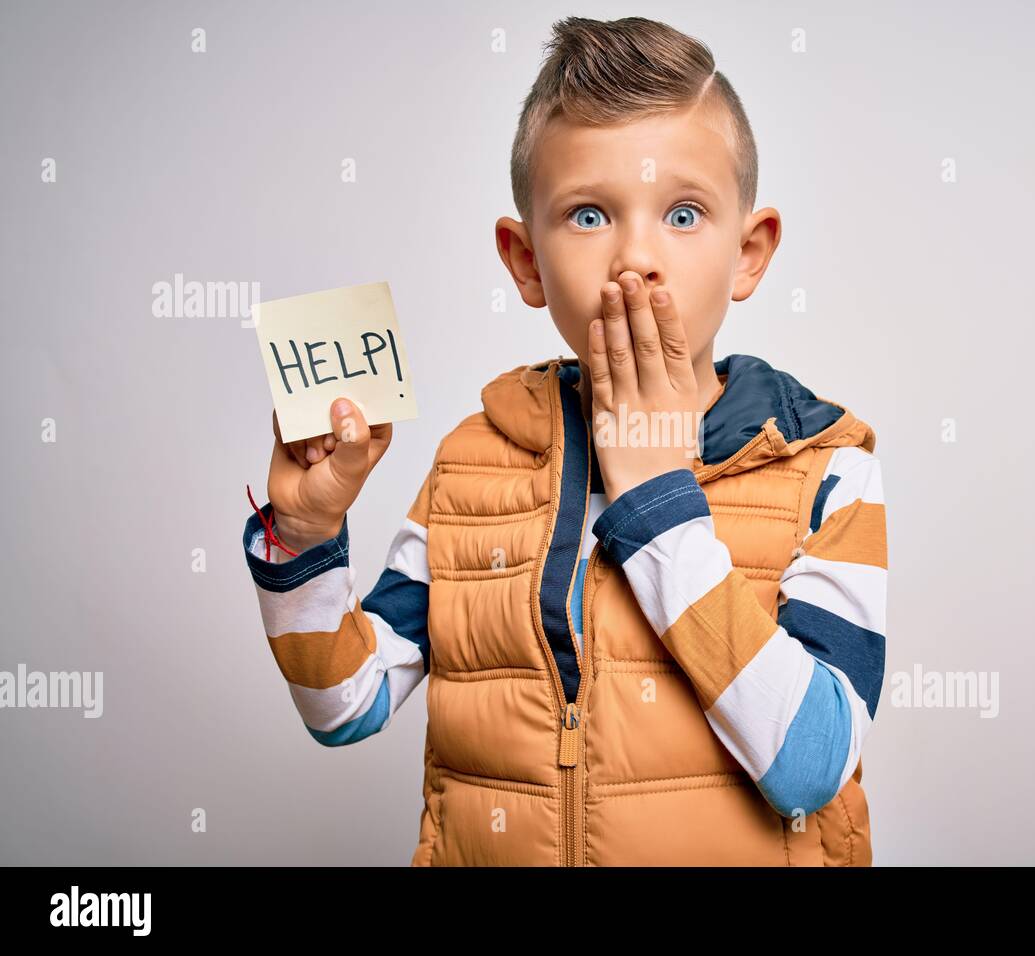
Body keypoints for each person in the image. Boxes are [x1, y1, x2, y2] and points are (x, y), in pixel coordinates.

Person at [242, 15, 887, 866]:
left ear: (750, 252)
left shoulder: (825, 468)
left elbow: (811, 765)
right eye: (588, 215)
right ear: (525, 261)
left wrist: (657, 503)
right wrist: (306, 539)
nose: (636, 259)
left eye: (684, 213)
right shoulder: (472, 467)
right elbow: (344, 709)